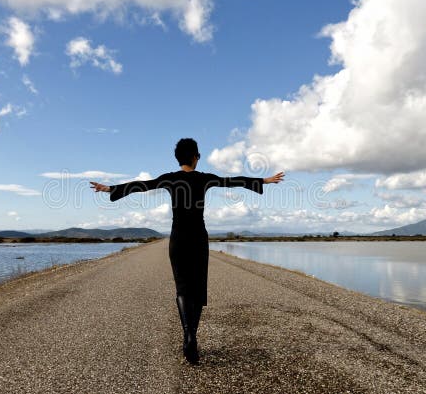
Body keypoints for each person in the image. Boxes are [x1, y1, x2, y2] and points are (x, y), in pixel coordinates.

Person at [90, 138, 284, 364]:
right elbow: (232, 181)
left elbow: (142, 185)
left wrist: (111, 189)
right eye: (198, 155)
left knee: (183, 288)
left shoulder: (170, 178)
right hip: (198, 238)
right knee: (198, 289)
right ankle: (192, 336)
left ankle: (188, 336)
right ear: (195, 157)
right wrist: (263, 180)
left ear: (178, 158)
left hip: (178, 238)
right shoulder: (204, 178)